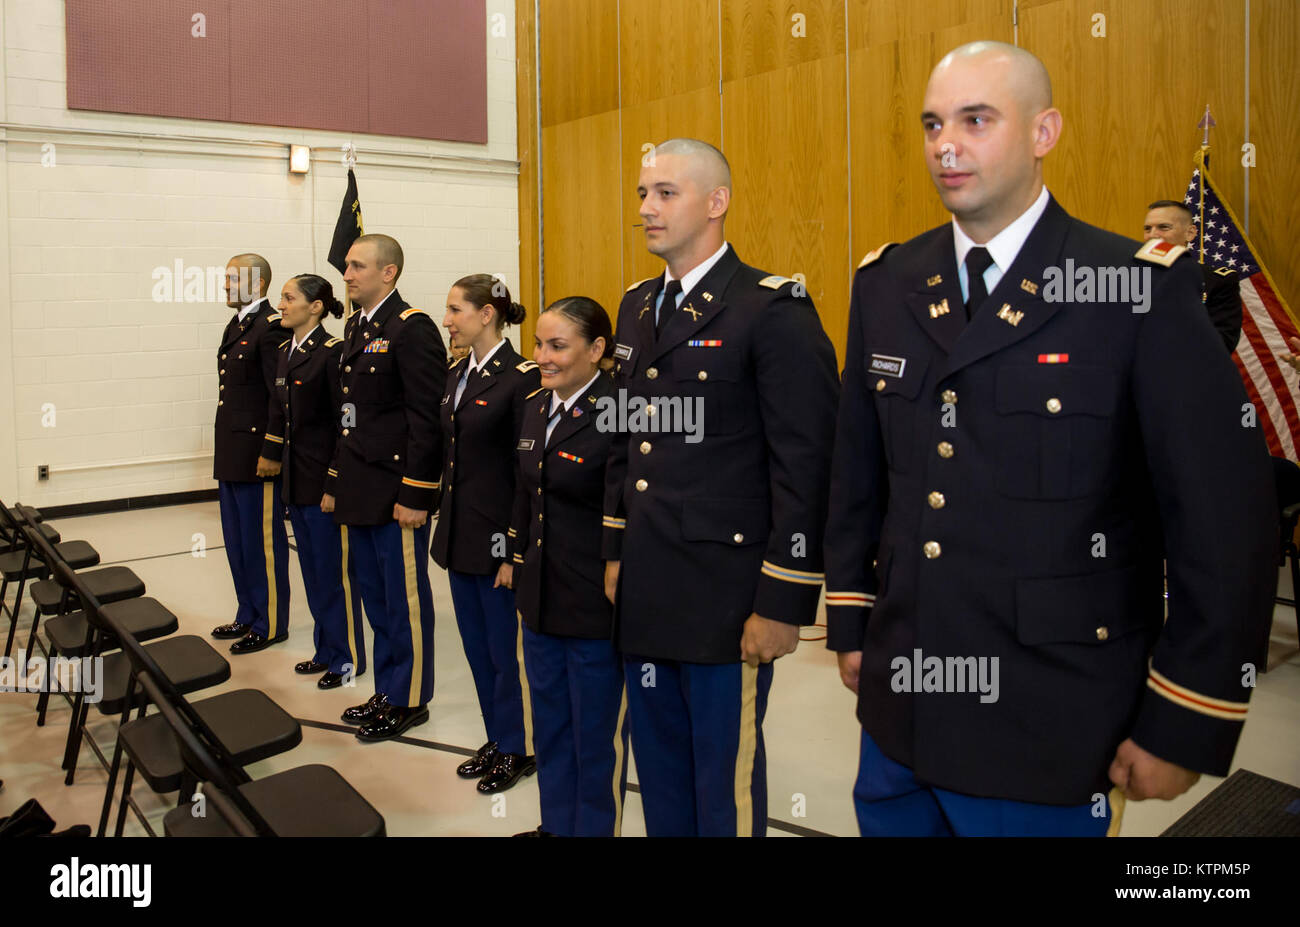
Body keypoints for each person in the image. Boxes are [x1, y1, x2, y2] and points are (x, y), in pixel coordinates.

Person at [824, 41, 1276, 837]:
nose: (946, 145)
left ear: (1045, 132)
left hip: (1048, 722)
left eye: (976, 119)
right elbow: (859, 478)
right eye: (932, 123)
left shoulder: (1135, 286)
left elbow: (1221, 518)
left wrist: (1185, 716)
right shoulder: (887, 283)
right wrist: (855, 624)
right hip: (900, 718)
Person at [602, 138, 840, 837]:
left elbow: (807, 462)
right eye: (643, 193)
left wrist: (785, 598)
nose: (646, 208)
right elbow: (624, 436)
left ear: (716, 201)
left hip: (725, 593)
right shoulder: (638, 305)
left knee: (723, 781)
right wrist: (615, 549)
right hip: (647, 582)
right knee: (662, 770)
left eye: (665, 193)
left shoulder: (770, 308)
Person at [506, 296, 628, 837]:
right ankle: (556, 826)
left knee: (595, 737)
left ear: (597, 349)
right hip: (539, 599)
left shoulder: (620, 410)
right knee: (550, 727)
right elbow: (524, 494)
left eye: (557, 345)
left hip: (593, 605)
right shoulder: (535, 405)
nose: (542, 356)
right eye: (538, 344)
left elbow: (627, 506)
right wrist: (512, 559)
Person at [333, 234, 446, 741]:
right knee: (376, 599)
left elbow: (427, 418)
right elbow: (350, 417)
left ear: (389, 273)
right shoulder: (358, 326)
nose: (347, 274)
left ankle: (411, 697)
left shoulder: (411, 328)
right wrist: (336, 481)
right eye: (347, 266)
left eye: (357, 266)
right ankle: (388, 687)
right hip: (361, 486)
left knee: (404, 600)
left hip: (396, 491)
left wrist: (417, 493)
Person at [430, 275, 540, 792]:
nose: (447, 320)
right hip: (460, 536)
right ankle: (498, 737)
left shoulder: (522, 378)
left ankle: (520, 747)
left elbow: (526, 475)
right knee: (477, 650)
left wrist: (514, 551)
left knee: (506, 652)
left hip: (499, 541)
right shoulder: (458, 373)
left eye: (455, 310)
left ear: (487, 315)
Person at [262, 274, 365, 690]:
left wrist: (334, 482)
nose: (281, 306)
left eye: (289, 298)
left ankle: (346, 658)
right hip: (296, 480)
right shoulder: (287, 350)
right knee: (313, 572)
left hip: (323, 483)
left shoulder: (331, 352)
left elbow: (347, 423)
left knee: (335, 575)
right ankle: (325, 649)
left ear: (316, 307)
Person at [209, 253, 292, 655]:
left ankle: (271, 621)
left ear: (257, 285)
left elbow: (279, 396)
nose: (224, 285)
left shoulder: (270, 328)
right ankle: (248, 612)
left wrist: (272, 450)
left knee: (262, 543)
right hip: (232, 452)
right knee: (237, 541)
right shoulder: (238, 324)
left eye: (231, 279)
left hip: (257, 455)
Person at [1142, 200, 1242, 352]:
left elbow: (1222, 344)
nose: (1153, 235)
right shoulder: (1130, 277)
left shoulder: (1218, 281)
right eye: (1147, 229)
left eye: (1164, 227)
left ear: (1190, 233)